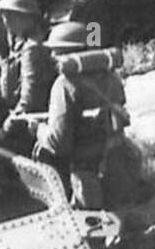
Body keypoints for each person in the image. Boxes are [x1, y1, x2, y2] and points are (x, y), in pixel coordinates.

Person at [34, 22, 136, 209]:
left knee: (94, 229)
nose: (51, 56)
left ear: (62, 53)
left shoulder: (64, 85)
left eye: (54, 51)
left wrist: (39, 129)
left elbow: (59, 143)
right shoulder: (110, 76)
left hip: (87, 173)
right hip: (118, 161)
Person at [0, 0, 56, 153]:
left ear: (25, 18)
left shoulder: (32, 51)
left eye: (10, 17)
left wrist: (6, 129)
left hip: (27, 128)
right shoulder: (31, 41)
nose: (6, 23)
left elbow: (30, 101)